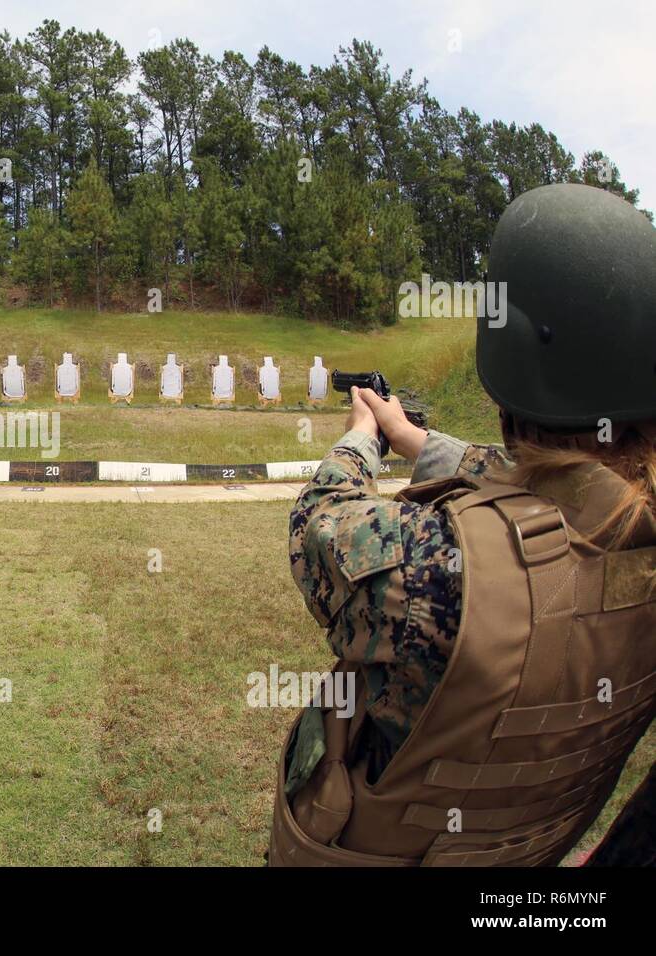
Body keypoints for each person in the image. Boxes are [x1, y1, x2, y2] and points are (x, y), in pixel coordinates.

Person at [271, 183, 656, 866]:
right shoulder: (637, 522)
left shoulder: (439, 569)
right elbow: (557, 484)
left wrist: (362, 439)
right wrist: (416, 440)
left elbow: (319, 529)